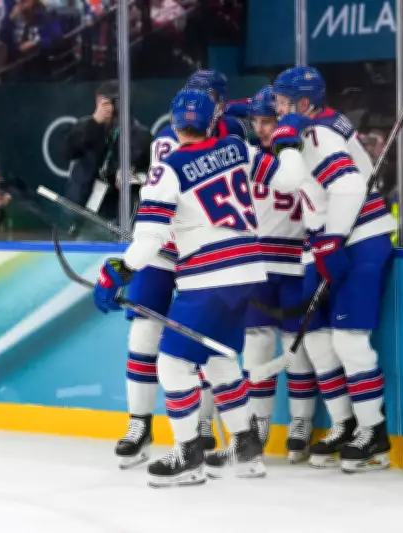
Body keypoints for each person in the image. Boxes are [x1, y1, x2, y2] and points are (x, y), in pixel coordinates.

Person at [94, 87, 305, 487]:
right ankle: (246, 449)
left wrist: (118, 269)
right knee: (217, 360)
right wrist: (289, 139)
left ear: (173, 124)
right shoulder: (238, 149)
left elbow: (151, 239)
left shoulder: (168, 168)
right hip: (249, 272)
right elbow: (291, 178)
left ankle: (188, 454)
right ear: (212, 122)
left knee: (172, 363)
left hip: (208, 277)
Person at [265, 66, 396, 473]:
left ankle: (374, 433)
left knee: (349, 340)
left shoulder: (317, 135)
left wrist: (331, 239)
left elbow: (351, 187)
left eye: (285, 102)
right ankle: (344, 423)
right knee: (318, 339)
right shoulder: (311, 126)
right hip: (326, 240)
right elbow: (293, 183)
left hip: (359, 239)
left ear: (305, 103)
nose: (279, 108)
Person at [113, 69, 246, 468]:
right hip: (162, 250)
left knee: (201, 344)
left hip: (203, 255)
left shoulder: (235, 138)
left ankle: (202, 427)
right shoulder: (170, 138)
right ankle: (140, 424)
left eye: (205, 95)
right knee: (144, 334)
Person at [239, 86, 323, 462]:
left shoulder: (304, 156)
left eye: (268, 121)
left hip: (295, 265)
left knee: (297, 349)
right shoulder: (250, 157)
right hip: (258, 266)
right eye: (256, 121)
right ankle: (257, 423)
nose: (261, 128)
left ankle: (301, 423)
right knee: (256, 346)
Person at [63, 80, 152, 236]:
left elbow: (148, 170)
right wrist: (95, 122)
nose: (114, 107)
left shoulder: (139, 134)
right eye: (109, 101)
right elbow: (67, 153)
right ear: (98, 101)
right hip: (84, 206)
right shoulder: (86, 127)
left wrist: (133, 177)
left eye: (118, 101)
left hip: (117, 211)